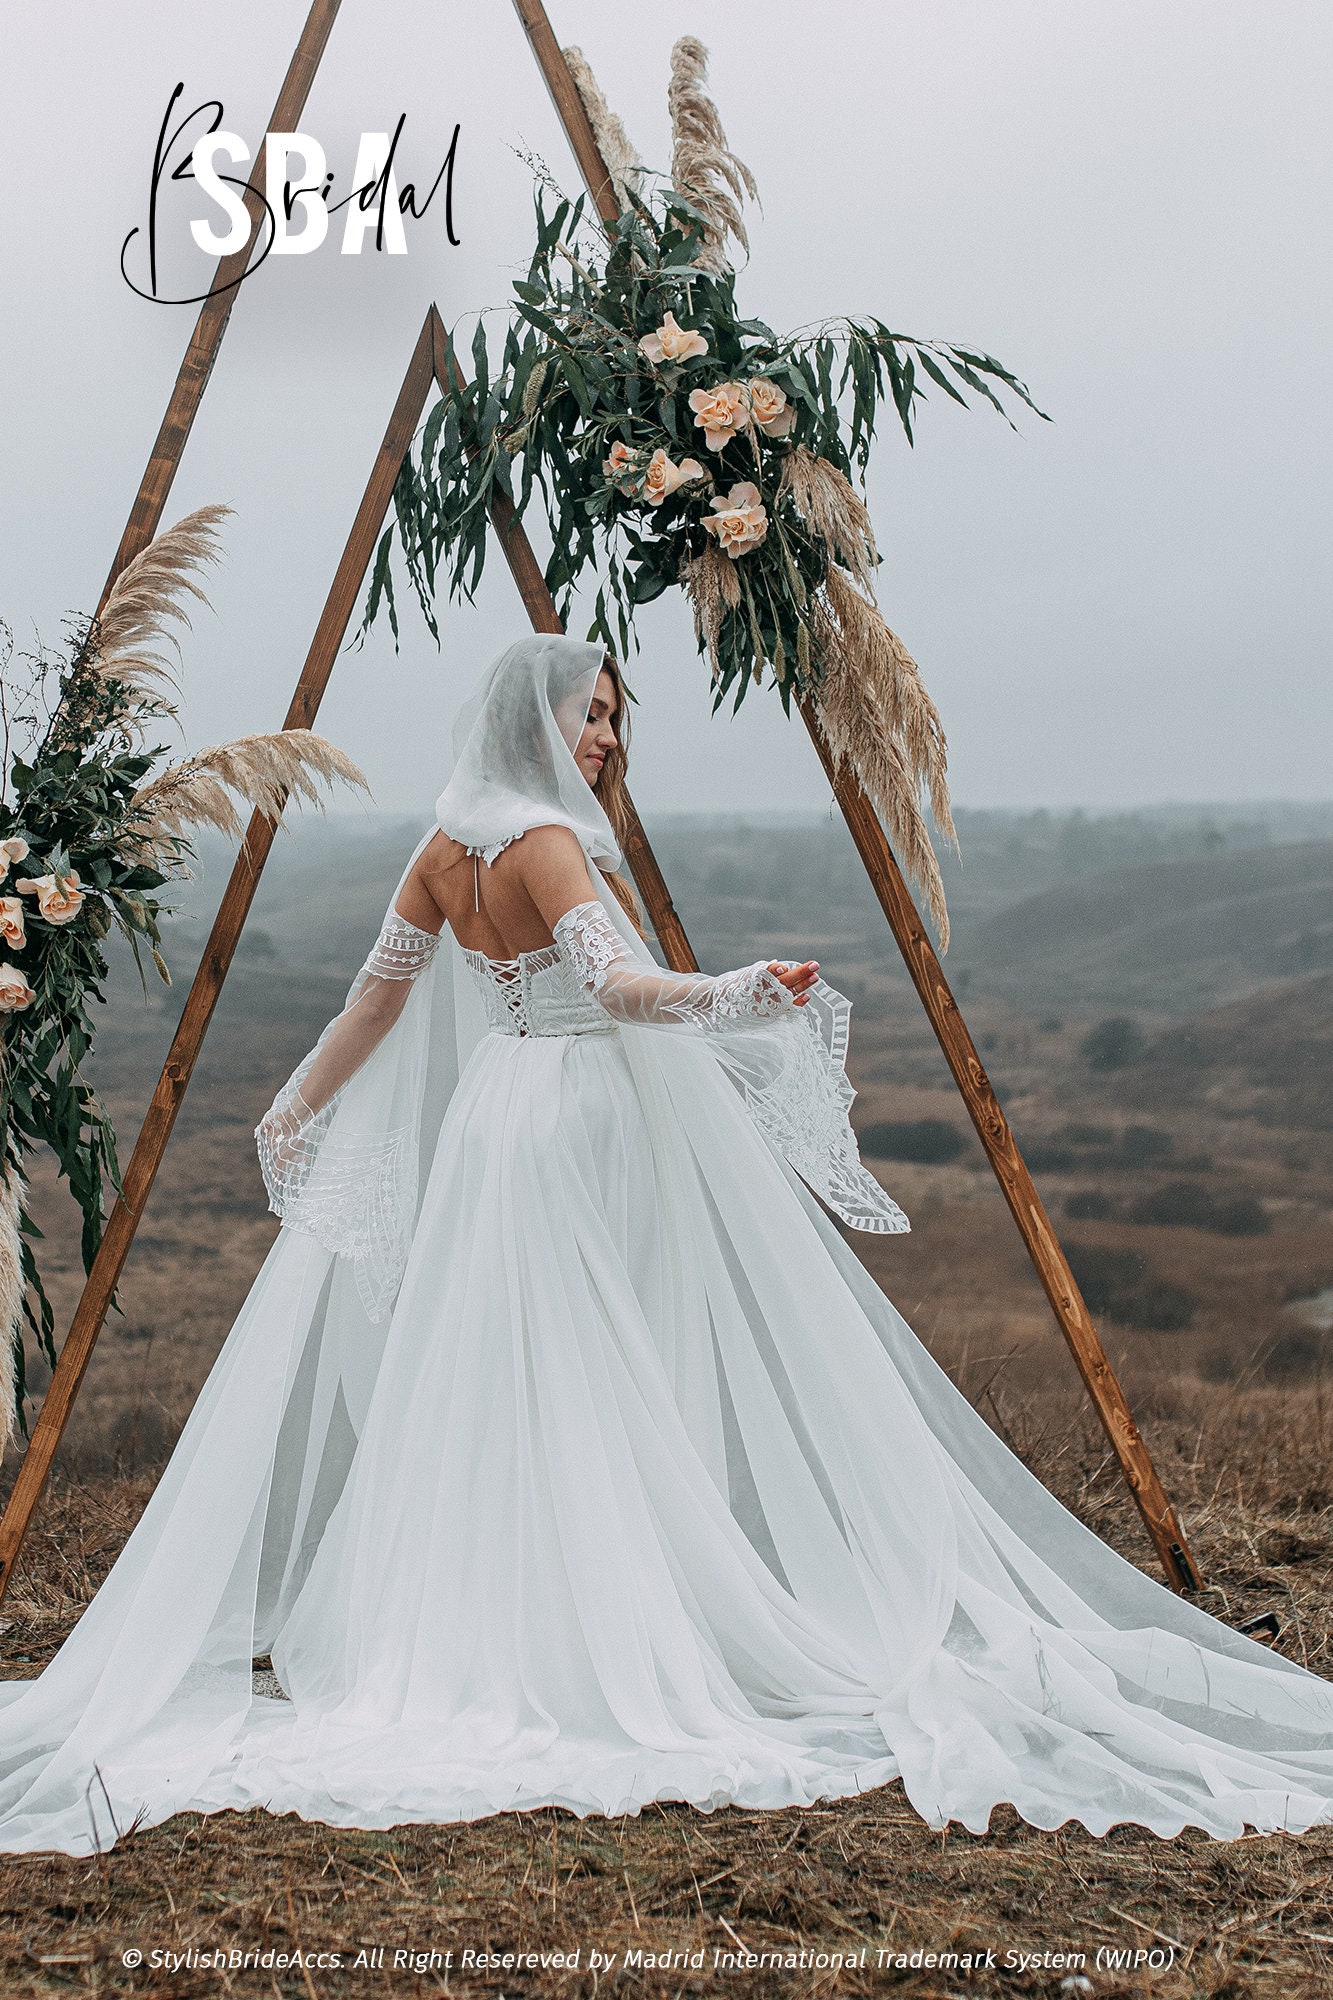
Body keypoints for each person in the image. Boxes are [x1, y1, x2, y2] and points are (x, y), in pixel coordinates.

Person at [1, 633, 1331, 1857]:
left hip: (490, 1125)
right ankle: (603, 1640)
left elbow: (370, 1008)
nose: (603, 743)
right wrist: (740, 990)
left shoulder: (443, 845)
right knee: (598, 1365)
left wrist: (293, 1107)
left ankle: (487, 1624)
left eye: (613, 722)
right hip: (577, 1119)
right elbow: (621, 991)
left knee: (499, 1376)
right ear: (534, 720)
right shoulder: (544, 846)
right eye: (590, 717)